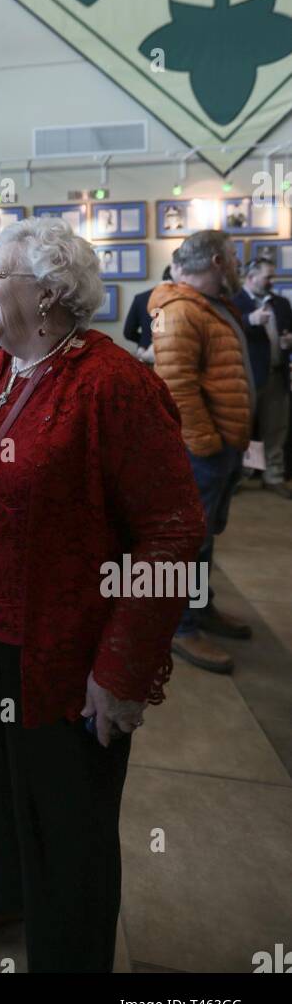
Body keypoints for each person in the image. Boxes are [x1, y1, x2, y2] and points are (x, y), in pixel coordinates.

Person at [0, 217, 203, 973]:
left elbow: (172, 533)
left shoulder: (115, 385)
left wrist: (122, 670)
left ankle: (70, 948)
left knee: (73, 827)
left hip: (73, 657)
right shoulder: (3, 368)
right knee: (2, 783)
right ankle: (12, 888)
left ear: (49, 294)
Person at [150, 230, 254, 674]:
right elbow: (177, 389)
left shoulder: (209, 304)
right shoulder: (178, 310)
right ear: (215, 260)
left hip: (221, 447)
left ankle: (200, 608)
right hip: (203, 451)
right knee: (189, 542)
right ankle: (181, 627)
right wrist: (207, 444)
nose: (236, 263)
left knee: (205, 539)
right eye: (232, 256)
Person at [233, 258, 292, 498]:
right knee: (243, 430)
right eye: (268, 276)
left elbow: (287, 332)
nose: (272, 281)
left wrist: (288, 342)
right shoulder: (234, 303)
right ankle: (239, 476)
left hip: (277, 376)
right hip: (246, 377)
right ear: (251, 277)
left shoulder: (281, 303)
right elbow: (228, 331)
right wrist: (249, 320)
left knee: (276, 428)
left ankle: (274, 476)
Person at [123, 264, 174, 364]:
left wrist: (144, 341)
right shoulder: (184, 298)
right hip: (173, 356)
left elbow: (128, 332)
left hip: (144, 354)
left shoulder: (140, 298)